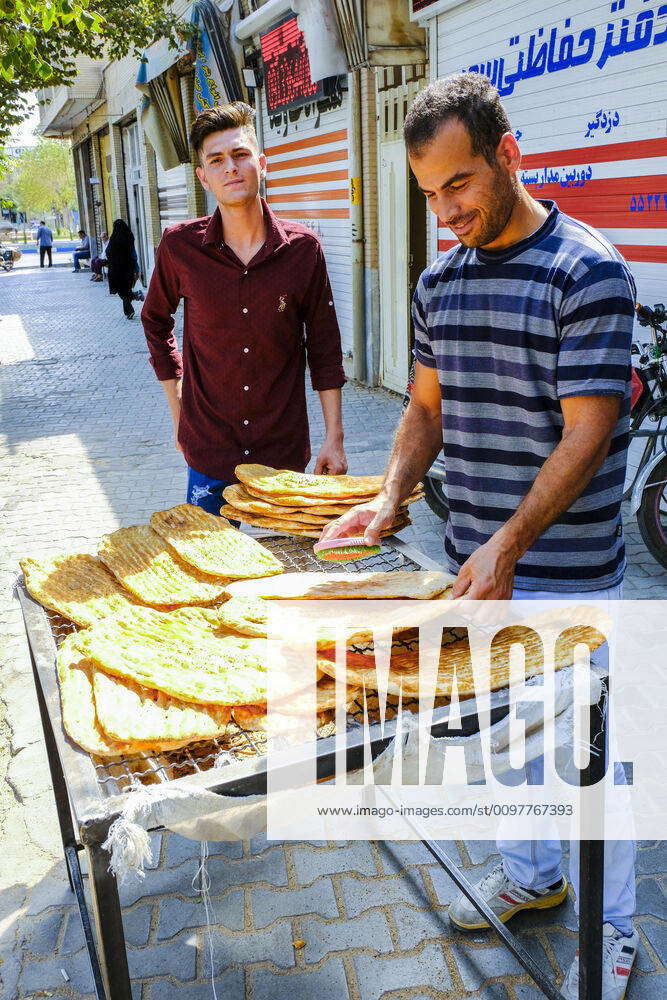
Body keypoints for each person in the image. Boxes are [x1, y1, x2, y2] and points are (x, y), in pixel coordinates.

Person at [320, 74, 637, 1000]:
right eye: (427, 193)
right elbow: (424, 408)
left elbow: (588, 431)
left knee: (591, 763)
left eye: (458, 184)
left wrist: (507, 544)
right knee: (513, 743)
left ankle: (613, 932)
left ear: (508, 154)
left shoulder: (587, 270)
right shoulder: (438, 280)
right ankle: (533, 880)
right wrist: (387, 500)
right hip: (476, 569)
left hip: (566, 570)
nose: (444, 209)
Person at [141, 101, 347, 516]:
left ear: (262, 163)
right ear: (203, 177)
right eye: (216, 160)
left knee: (287, 575)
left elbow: (324, 347)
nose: (230, 167)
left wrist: (334, 437)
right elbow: (154, 319)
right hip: (209, 451)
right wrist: (178, 408)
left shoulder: (303, 250)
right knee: (207, 572)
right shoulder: (180, 248)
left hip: (282, 454)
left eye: (240, 154)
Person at [106, 219, 140, 319]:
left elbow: (108, 252)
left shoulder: (113, 239)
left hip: (115, 271)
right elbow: (133, 255)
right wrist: (136, 269)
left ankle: (130, 308)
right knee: (125, 290)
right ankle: (134, 298)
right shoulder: (129, 237)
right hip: (128, 269)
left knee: (122, 291)